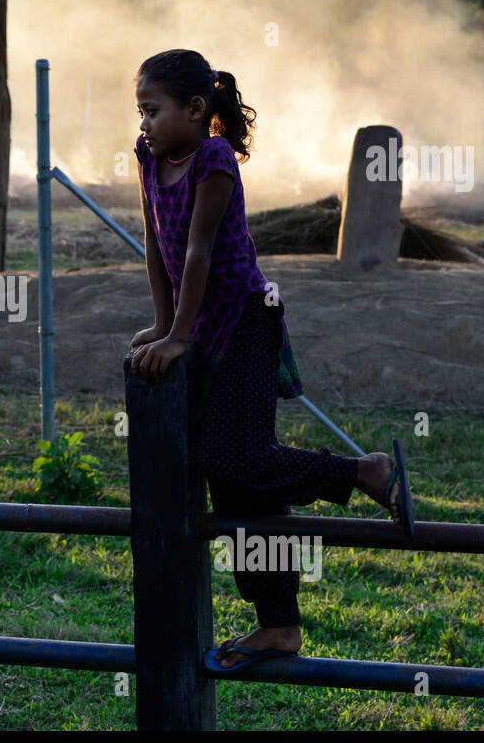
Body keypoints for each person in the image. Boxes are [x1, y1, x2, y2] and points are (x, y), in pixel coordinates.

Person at [128, 49, 412, 671]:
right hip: (195, 326)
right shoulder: (150, 155)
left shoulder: (213, 158)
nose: (144, 122)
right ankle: (279, 625)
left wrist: (177, 338)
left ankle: (362, 473)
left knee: (239, 457)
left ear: (197, 109)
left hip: (244, 322)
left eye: (153, 109)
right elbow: (157, 244)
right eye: (140, 110)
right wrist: (162, 322)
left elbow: (199, 252)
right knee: (234, 490)